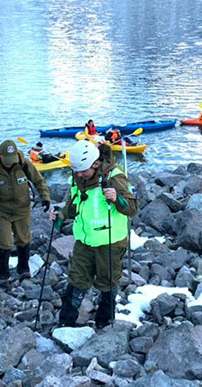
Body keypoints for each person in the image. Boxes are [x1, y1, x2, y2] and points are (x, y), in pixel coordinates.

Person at [50, 140, 137, 328]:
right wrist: (61, 215)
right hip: (85, 241)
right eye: (77, 171)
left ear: (96, 164)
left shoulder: (115, 177)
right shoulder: (77, 178)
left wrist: (117, 198)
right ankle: (66, 322)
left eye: (83, 171)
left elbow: (132, 208)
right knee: (76, 279)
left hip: (111, 242)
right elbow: (73, 205)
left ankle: (104, 322)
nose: (79, 175)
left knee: (108, 283)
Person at [0, 139, 51, 281]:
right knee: (5, 241)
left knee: (23, 238)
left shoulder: (23, 163)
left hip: (22, 208)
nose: (10, 162)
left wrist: (45, 197)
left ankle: (23, 268)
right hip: (0, 210)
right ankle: (2, 273)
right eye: (7, 159)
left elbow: (39, 180)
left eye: (12, 159)